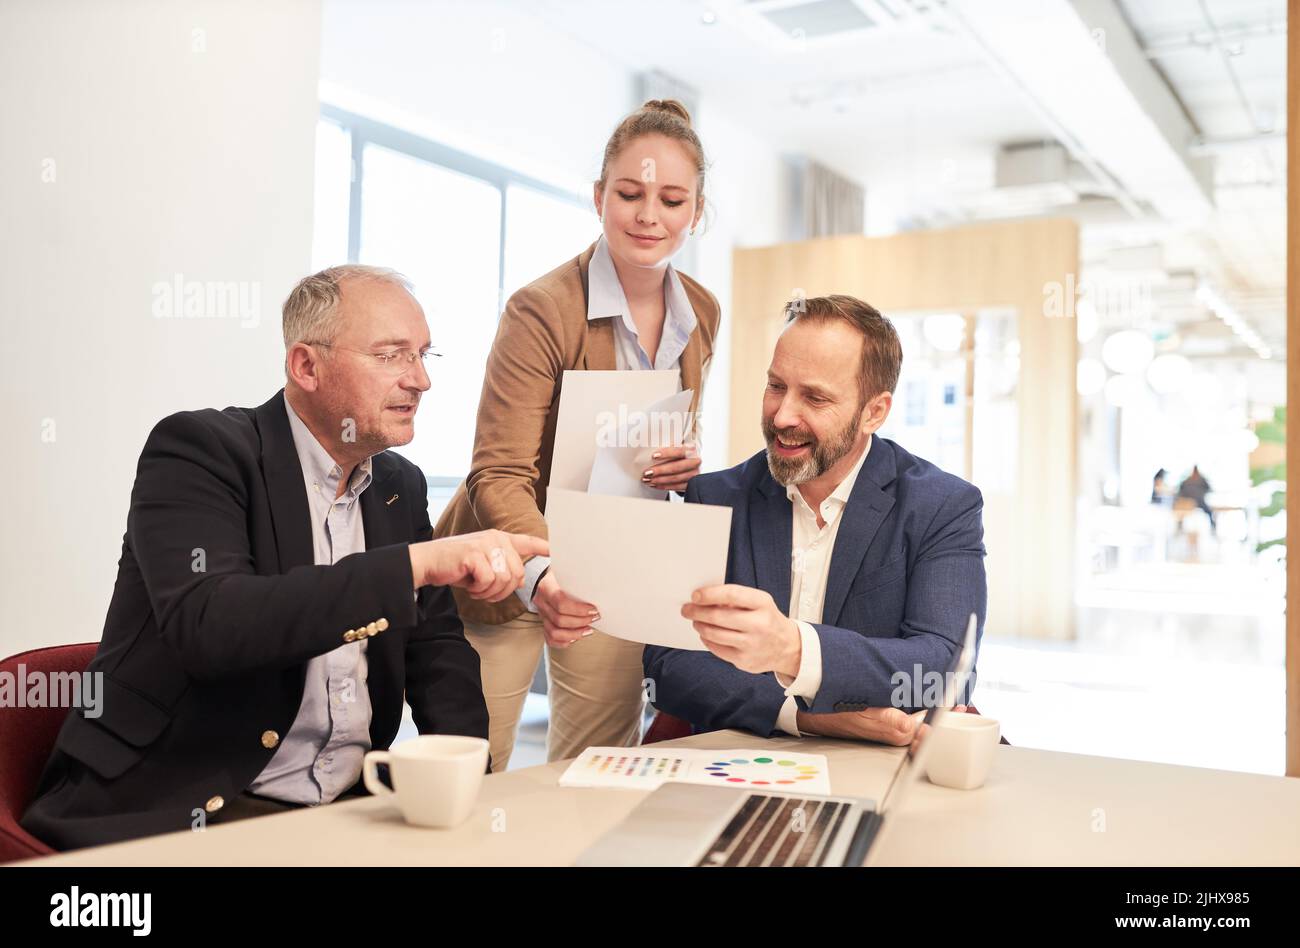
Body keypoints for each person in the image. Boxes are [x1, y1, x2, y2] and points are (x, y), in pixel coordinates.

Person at [22, 265, 546, 850]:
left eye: (424, 355)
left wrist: (469, 789)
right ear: (306, 366)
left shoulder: (401, 484)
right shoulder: (201, 452)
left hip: (347, 809)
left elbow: (437, 649)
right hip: (190, 803)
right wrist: (414, 565)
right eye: (391, 356)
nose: (420, 380)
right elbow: (212, 623)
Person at [434, 99, 721, 772]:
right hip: (510, 566)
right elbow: (497, 473)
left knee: (595, 770)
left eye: (672, 199)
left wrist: (683, 459)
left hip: (614, 560)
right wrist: (543, 577)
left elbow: (670, 423)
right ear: (599, 197)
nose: (649, 215)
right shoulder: (541, 309)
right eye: (629, 193)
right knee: (476, 768)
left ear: (696, 213)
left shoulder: (702, 311)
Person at [644, 295, 987, 745]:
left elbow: (945, 668)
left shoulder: (942, 505)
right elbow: (668, 665)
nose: (783, 416)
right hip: (744, 754)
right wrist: (807, 718)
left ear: (874, 412)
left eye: (815, 397)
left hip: (882, 763)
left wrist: (793, 647)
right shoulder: (716, 497)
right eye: (775, 386)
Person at [1178, 465, 1215, 531]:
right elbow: (1181, 490)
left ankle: (1213, 526)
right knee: (1182, 513)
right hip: (1190, 502)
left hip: (1199, 501)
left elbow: (1208, 488)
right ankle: (1179, 526)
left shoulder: (1201, 480)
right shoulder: (1188, 480)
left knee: (1209, 512)